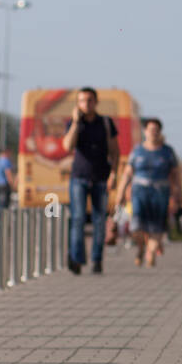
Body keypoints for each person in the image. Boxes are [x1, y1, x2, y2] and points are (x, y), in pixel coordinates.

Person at [61, 86, 119, 275]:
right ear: (78, 104)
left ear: (96, 102)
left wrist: (114, 173)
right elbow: (67, 146)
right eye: (82, 101)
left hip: (101, 177)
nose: (86, 104)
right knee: (77, 218)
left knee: (99, 220)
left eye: (89, 100)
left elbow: (114, 150)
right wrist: (77, 123)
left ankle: (97, 258)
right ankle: (77, 259)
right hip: (79, 177)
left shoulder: (105, 123)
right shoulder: (74, 123)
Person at [118, 118, 181, 268]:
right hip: (139, 192)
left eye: (156, 130)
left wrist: (179, 193)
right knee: (136, 227)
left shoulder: (167, 152)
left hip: (160, 192)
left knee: (156, 226)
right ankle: (141, 247)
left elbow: (175, 174)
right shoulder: (137, 151)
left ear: (160, 132)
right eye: (150, 129)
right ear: (145, 131)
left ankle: (150, 253)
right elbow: (128, 173)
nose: (153, 132)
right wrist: (121, 191)